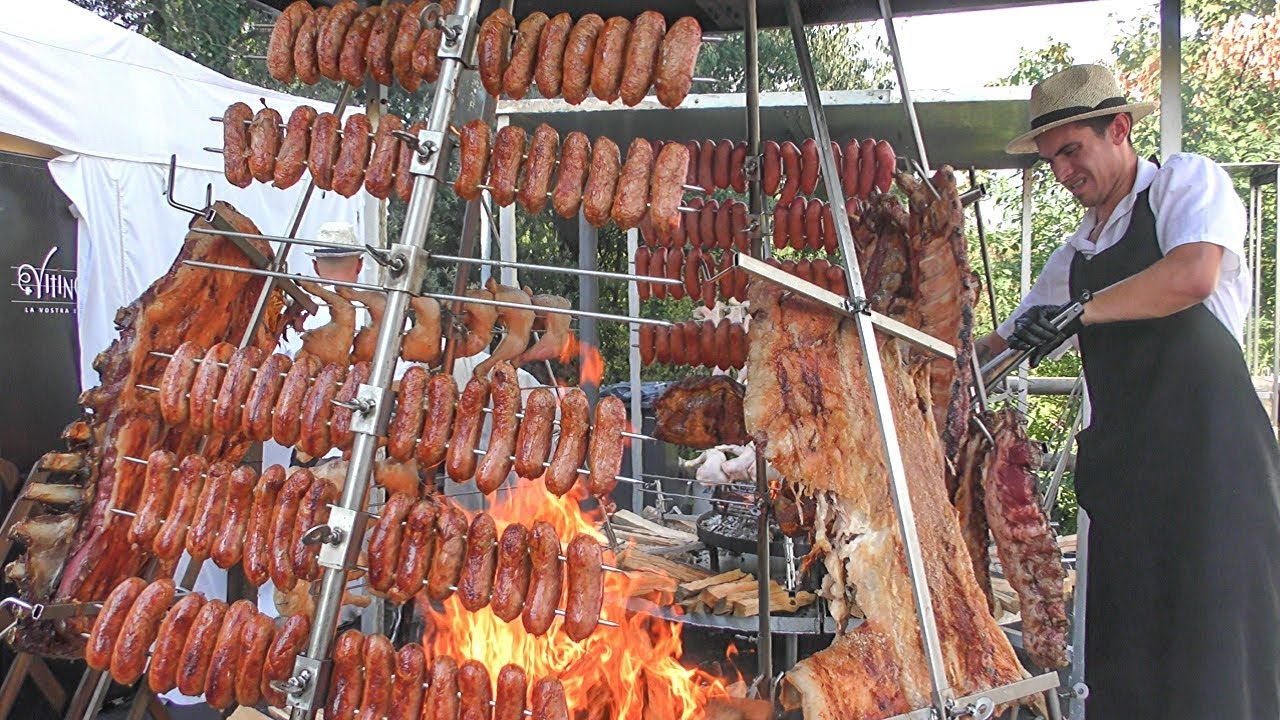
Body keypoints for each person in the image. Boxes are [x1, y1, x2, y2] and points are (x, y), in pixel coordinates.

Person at [977, 64, 1280, 718]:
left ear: (1119, 129)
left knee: (1215, 665)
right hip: (1130, 489)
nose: (1061, 173)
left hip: (1213, 478)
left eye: (1071, 151)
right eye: (1052, 159)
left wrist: (1084, 311)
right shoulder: (1076, 254)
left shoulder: (1184, 184)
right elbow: (1000, 348)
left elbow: (1192, 275)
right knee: (1129, 671)